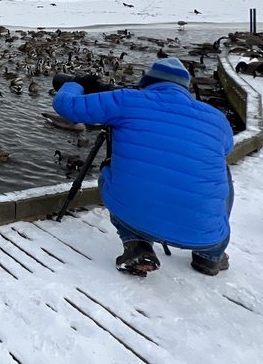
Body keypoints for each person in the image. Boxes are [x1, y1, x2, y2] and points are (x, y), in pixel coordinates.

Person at [52, 57, 233, 277]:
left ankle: (136, 244)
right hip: (206, 232)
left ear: (145, 82)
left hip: (135, 214)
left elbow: (65, 105)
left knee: (109, 169)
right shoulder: (217, 117)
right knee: (220, 169)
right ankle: (211, 257)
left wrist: (75, 83)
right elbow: (225, 149)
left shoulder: (128, 100)